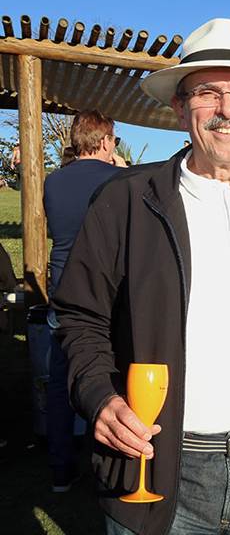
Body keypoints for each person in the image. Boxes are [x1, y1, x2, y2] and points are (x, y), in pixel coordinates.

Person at [52, 19, 230, 535]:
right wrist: (99, 396)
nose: (228, 109)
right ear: (178, 106)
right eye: (208, 92)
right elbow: (80, 318)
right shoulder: (126, 200)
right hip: (158, 460)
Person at [44, 110, 124, 492]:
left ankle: (60, 467)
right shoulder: (120, 181)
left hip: (61, 292)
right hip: (104, 293)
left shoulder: (53, 181)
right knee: (109, 380)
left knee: (61, 380)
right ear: (107, 141)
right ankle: (106, 464)